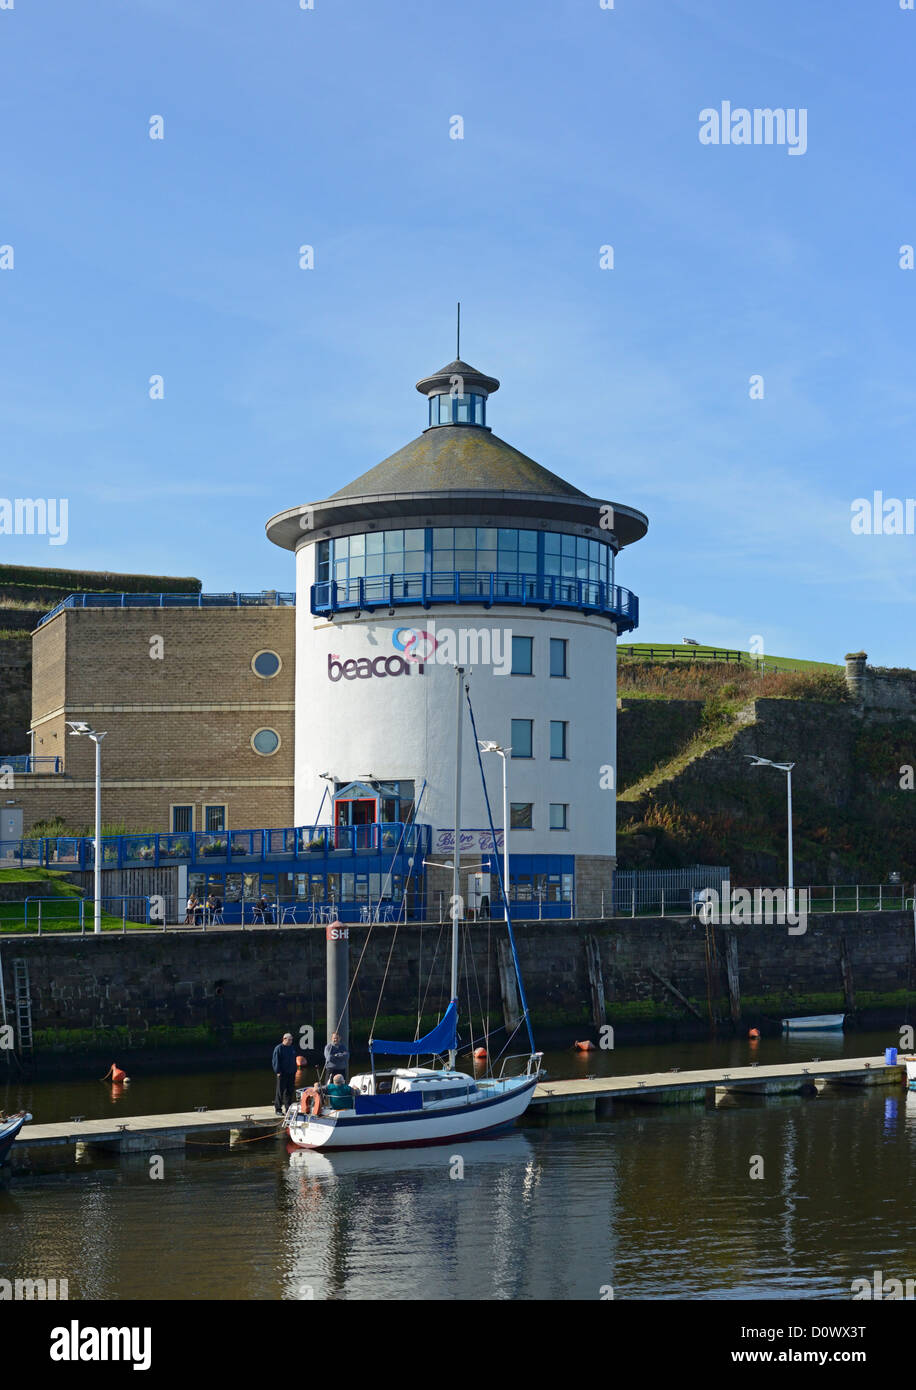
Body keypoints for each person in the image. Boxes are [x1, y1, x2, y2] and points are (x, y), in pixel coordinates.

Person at [272, 1032, 297, 1114]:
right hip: (282, 1073)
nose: (290, 1041)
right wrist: (278, 1071)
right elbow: (275, 1061)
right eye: (289, 1040)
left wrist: (295, 1070)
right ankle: (278, 1109)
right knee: (280, 1091)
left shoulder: (292, 1048)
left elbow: (293, 1060)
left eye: (291, 1040)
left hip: (291, 1073)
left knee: (289, 1091)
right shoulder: (279, 1048)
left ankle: (288, 1108)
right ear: (284, 1039)